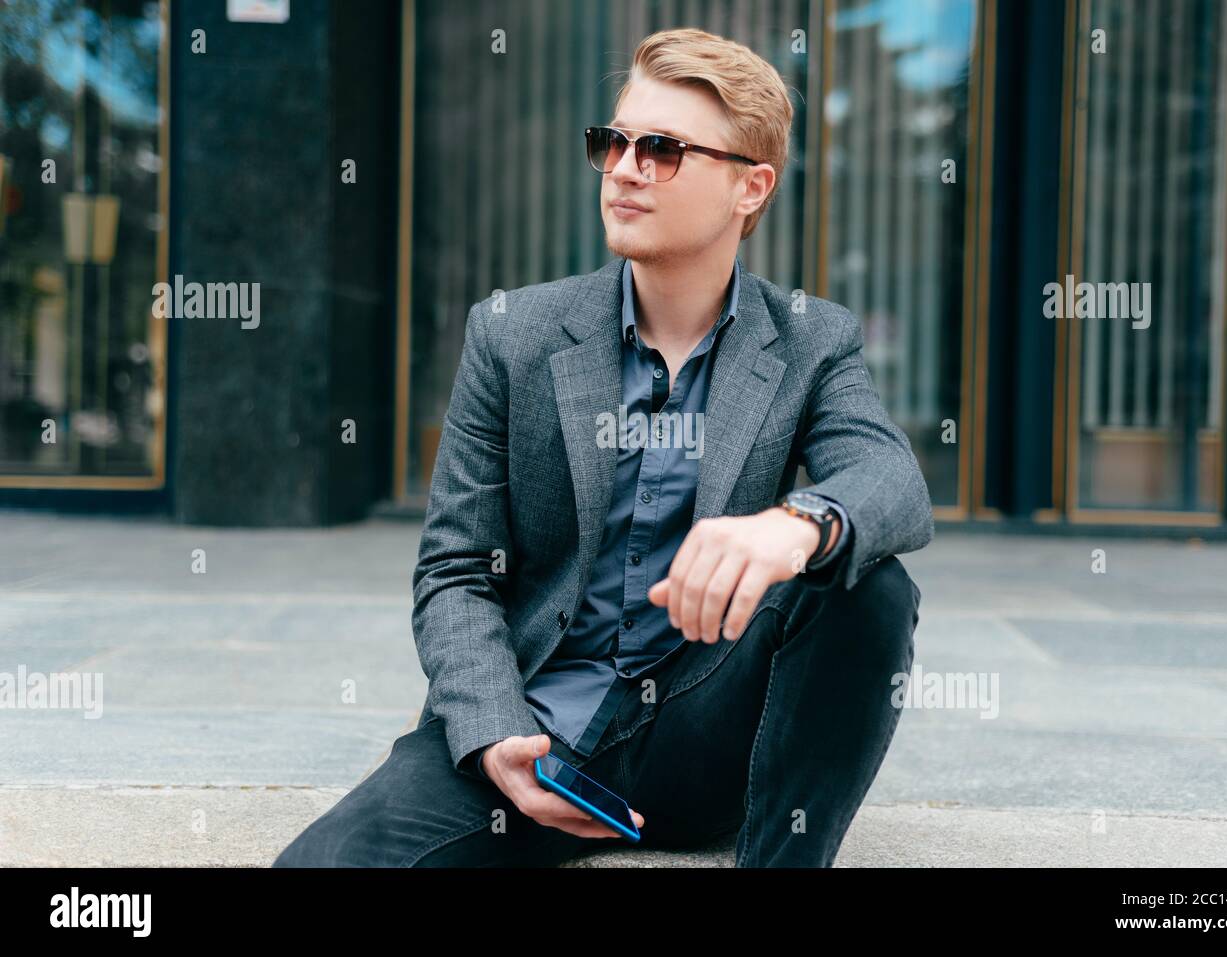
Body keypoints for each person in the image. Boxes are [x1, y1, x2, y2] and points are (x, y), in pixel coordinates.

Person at [274, 26, 932, 869]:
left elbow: (891, 482)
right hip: (535, 729)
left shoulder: (810, 341)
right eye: (613, 142)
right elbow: (453, 572)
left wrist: (794, 526)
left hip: (703, 731)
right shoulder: (514, 335)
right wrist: (494, 729)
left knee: (866, 582)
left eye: (661, 149)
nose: (623, 168)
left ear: (749, 186)